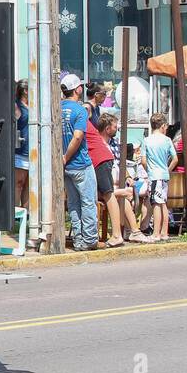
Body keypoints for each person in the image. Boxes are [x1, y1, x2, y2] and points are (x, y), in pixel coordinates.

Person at [60, 73, 98, 250]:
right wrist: (67, 156)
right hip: (80, 163)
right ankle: (90, 239)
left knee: (74, 204)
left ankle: (78, 240)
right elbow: (77, 137)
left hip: (65, 167)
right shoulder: (79, 110)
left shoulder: (57, 108)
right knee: (88, 202)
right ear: (77, 89)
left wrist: (62, 159)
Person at [86, 111, 123, 247]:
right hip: (98, 159)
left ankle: (117, 235)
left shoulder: (77, 117)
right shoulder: (82, 118)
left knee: (108, 194)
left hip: (100, 159)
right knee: (99, 194)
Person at [140, 112, 176, 241]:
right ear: (162, 126)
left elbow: (143, 161)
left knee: (155, 203)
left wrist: (149, 170)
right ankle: (164, 232)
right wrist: (167, 170)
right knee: (163, 204)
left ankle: (156, 233)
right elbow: (175, 159)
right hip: (164, 175)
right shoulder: (167, 140)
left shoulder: (147, 140)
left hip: (154, 175)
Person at [14, 79, 30, 210]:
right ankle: (13, 217)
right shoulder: (17, 105)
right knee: (18, 184)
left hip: (32, 152)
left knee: (29, 187)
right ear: (25, 91)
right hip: (20, 152)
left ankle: (28, 217)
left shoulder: (33, 106)